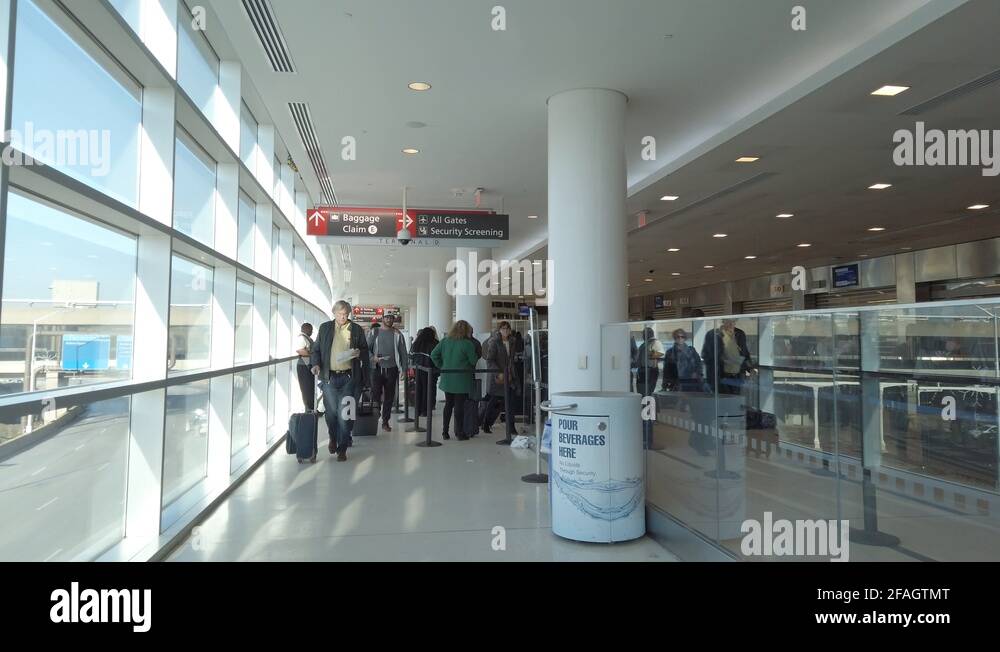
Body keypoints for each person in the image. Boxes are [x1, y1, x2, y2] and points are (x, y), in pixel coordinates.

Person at [310, 300, 371, 461]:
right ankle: (333, 437)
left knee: (346, 414)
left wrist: (360, 352)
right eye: (339, 314)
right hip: (329, 377)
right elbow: (315, 350)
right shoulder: (325, 328)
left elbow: (365, 350)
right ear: (334, 314)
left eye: (345, 314)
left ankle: (342, 447)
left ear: (349, 314)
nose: (343, 317)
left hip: (349, 377)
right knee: (331, 414)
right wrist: (315, 364)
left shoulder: (356, 329)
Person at [430, 320, 479, 441]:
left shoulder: (445, 341)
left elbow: (433, 354)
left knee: (448, 404)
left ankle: (445, 432)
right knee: (459, 406)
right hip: (462, 379)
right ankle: (459, 432)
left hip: (447, 378)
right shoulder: (467, 344)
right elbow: (473, 361)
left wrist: (441, 366)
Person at [369, 313, 408, 432]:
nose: (389, 319)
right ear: (382, 319)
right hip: (377, 368)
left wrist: (404, 369)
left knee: (390, 396)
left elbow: (403, 352)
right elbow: (365, 348)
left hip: (392, 368)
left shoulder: (397, 334)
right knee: (375, 394)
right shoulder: (374, 332)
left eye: (391, 318)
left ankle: (385, 421)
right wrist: (372, 358)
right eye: (386, 317)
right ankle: (375, 416)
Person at [481, 321, 521, 437]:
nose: (506, 330)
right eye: (503, 328)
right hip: (498, 376)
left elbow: (511, 358)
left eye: (507, 328)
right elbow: (490, 360)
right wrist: (498, 372)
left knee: (510, 402)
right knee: (494, 401)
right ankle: (486, 423)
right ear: (499, 330)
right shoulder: (494, 342)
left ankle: (511, 426)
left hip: (510, 375)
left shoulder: (512, 341)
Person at [701, 318, 753, 395]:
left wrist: (750, 368)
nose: (732, 324)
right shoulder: (713, 334)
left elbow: (745, 353)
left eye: (734, 321)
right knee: (723, 401)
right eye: (729, 321)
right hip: (721, 376)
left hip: (737, 376)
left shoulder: (739, 333)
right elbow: (705, 355)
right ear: (723, 321)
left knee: (736, 401)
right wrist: (721, 360)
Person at [662, 328, 705, 392]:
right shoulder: (670, 352)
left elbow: (698, 364)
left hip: (691, 381)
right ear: (674, 338)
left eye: (682, 337)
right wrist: (665, 384)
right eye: (678, 337)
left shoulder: (691, 350)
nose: (680, 338)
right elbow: (666, 369)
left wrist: (697, 374)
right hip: (676, 382)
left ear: (685, 338)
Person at [410, 327, 439, 416]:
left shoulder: (415, 344)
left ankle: (418, 410)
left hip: (417, 370)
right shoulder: (434, 344)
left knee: (419, 389)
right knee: (428, 390)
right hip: (429, 370)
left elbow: (411, 356)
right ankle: (425, 410)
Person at [635, 327, 664, 397]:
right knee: (641, 392)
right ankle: (643, 406)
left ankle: (648, 406)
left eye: (644, 334)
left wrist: (651, 354)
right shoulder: (643, 345)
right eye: (643, 334)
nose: (643, 336)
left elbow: (661, 354)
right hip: (642, 370)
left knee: (648, 392)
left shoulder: (655, 342)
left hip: (650, 370)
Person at [295, 322, 316, 412]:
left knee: (310, 388)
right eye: (310, 329)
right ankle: (308, 410)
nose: (312, 331)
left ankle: (311, 408)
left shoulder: (307, 338)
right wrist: (312, 353)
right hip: (303, 366)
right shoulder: (302, 338)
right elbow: (300, 350)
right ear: (305, 329)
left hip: (308, 366)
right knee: (306, 388)